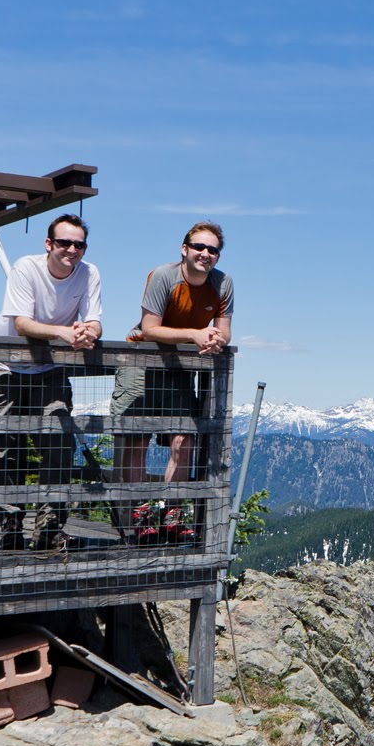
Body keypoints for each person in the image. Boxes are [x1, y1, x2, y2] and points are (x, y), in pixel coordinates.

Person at [0, 213, 102, 551]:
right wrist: (64, 332)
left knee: (58, 443)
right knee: (1, 447)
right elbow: (22, 324)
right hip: (3, 367)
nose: (72, 249)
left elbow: (94, 321)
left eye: (79, 244)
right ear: (49, 244)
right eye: (64, 242)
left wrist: (87, 332)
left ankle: (48, 529)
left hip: (48, 368)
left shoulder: (89, 273)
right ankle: (10, 526)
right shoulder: (26, 269)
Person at [111, 221, 234, 545]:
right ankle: (140, 516)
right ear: (184, 249)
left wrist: (215, 340)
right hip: (141, 359)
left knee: (184, 440)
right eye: (199, 247)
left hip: (180, 364)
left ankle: (172, 515)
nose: (205, 253)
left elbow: (224, 330)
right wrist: (195, 334)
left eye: (212, 250)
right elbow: (150, 329)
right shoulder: (163, 277)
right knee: (137, 439)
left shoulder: (223, 284)